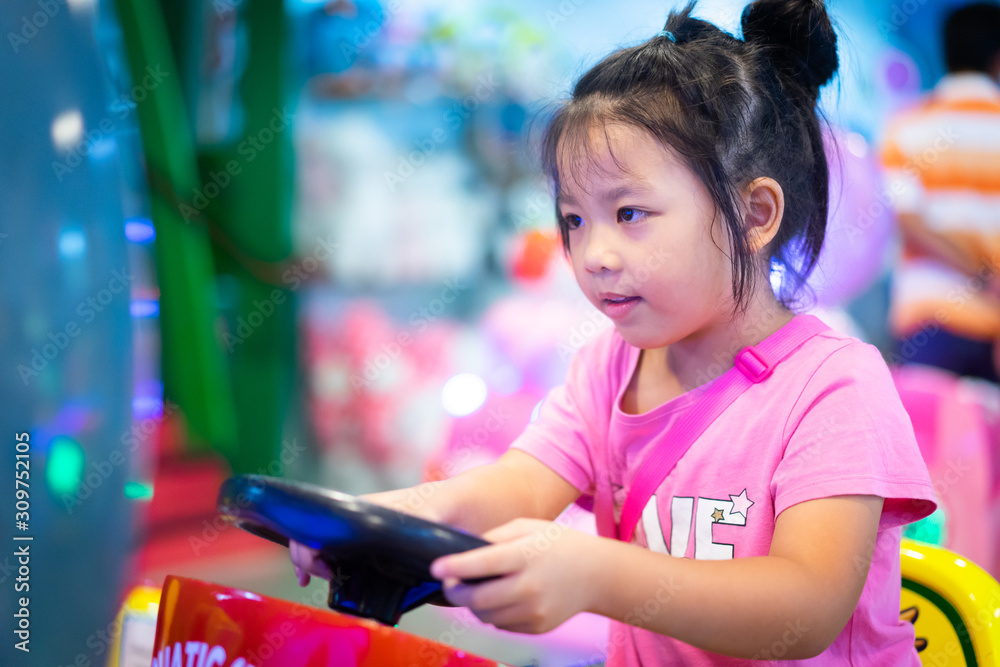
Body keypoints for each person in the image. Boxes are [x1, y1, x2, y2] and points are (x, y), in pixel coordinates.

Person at [293, 1, 937, 663]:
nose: (592, 252)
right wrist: (367, 517)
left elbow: (804, 609)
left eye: (629, 212)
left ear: (754, 214)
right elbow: (508, 490)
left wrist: (597, 573)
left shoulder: (833, 386)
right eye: (574, 219)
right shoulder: (610, 367)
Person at [880, 2, 1000, 383]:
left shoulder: (906, 127)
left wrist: (976, 272)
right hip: (994, 328)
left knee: (925, 439)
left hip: (927, 319)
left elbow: (908, 220)